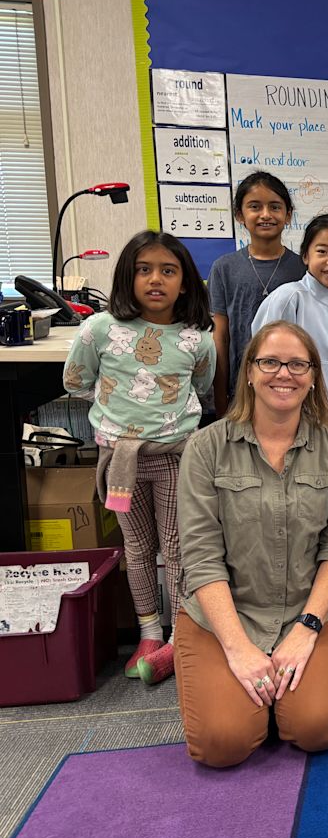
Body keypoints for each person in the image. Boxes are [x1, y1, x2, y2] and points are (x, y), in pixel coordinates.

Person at [175, 321, 328, 766]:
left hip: (311, 607)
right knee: (222, 744)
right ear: (249, 372)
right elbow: (201, 556)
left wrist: (307, 628)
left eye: (299, 364)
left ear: (314, 376)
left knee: (317, 728)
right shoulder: (205, 448)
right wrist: (238, 648)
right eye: (271, 362)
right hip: (226, 614)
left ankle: (277, 697)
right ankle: (256, 695)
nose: (285, 373)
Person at [63, 231, 215, 685]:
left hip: (175, 458)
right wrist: (118, 410)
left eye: (168, 271)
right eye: (144, 270)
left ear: (185, 283)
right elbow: (75, 381)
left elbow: (201, 389)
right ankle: (149, 632)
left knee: (179, 549)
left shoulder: (196, 338)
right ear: (127, 278)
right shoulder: (99, 329)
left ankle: (179, 636)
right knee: (137, 547)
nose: (155, 280)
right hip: (120, 462)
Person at [252, 213, 328, 435]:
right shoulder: (289, 298)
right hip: (291, 419)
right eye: (322, 251)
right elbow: (262, 362)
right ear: (305, 255)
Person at [208, 172, 305, 415]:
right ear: (240, 215)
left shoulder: (304, 268)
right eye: (254, 206)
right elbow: (220, 336)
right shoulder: (224, 268)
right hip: (240, 390)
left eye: (275, 207)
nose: (265, 214)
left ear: (288, 215)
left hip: (293, 385)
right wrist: (220, 397)